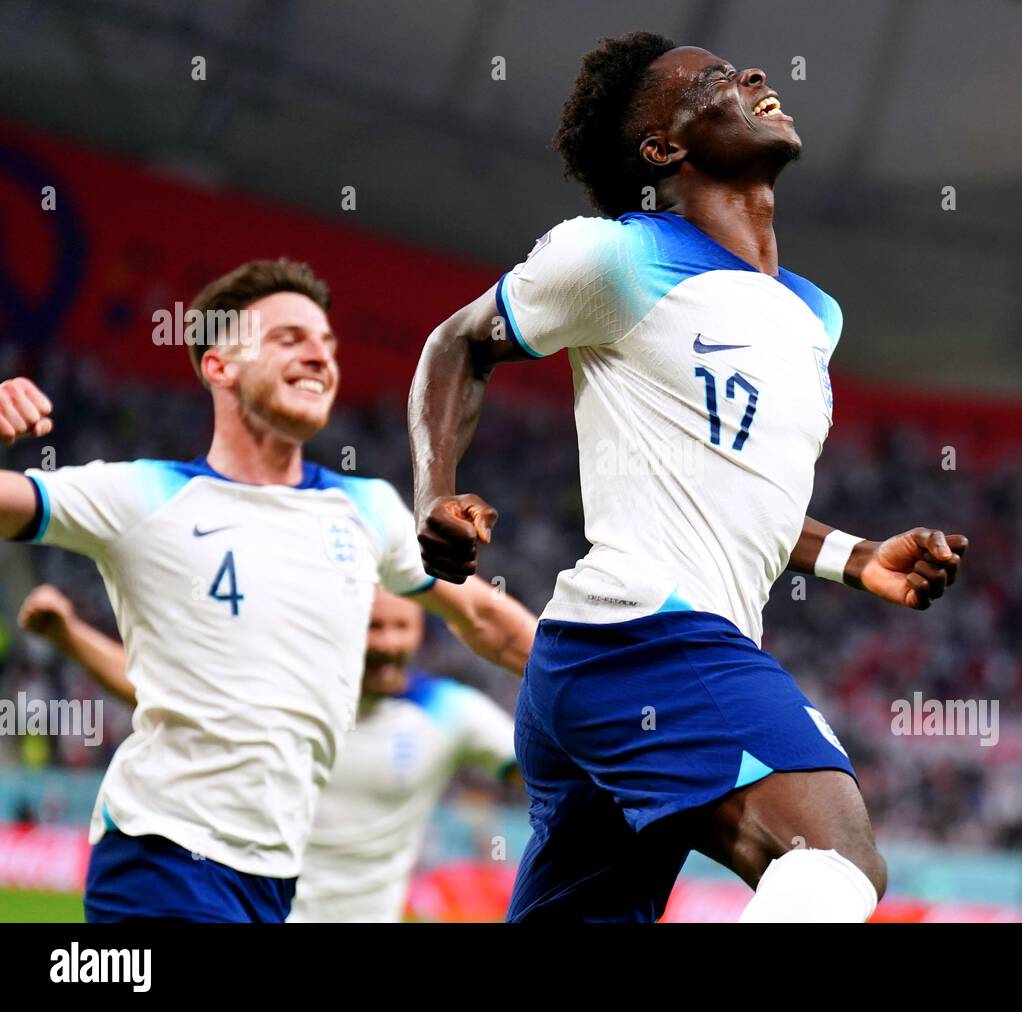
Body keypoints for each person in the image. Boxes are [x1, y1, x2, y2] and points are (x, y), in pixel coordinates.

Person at [406, 33, 968, 922]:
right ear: (662, 148)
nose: (754, 75)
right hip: (642, 636)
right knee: (835, 857)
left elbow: (733, 495)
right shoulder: (613, 257)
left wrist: (854, 559)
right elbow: (458, 342)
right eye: (716, 82)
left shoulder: (813, 317)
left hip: (604, 670)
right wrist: (434, 492)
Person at [0, 258, 535, 922]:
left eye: (327, 344)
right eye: (288, 338)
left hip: (272, 881)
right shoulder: (143, 496)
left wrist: (616, 683)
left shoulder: (364, 508)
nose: (319, 355)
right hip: (164, 858)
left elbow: (487, 617)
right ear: (219, 366)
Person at [19, 583, 518, 923]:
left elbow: (540, 763)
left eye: (400, 627)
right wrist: (68, 634)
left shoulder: (453, 713)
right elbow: (156, 690)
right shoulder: (288, 692)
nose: (387, 643)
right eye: (373, 627)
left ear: (420, 631)